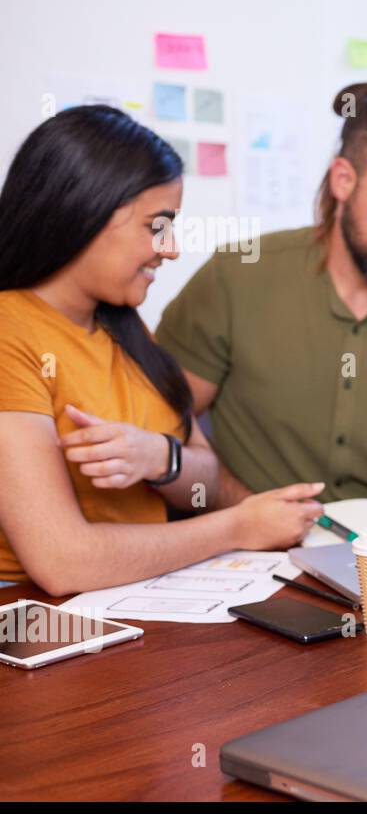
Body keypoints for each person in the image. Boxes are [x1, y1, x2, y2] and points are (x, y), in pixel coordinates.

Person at [0, 106, 324, 595]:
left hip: (140, 598)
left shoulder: (123, 327)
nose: (170, 248)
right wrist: (239, 527)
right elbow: (63, 562)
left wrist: (160, 456)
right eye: (157, 224)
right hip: (42, 617)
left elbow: (208, 477)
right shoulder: (11, 334)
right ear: (82, 209)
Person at [155, 82, 367, 503]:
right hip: (249, 553)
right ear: (343, 180)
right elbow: (160, 430)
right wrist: (246, 512)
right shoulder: (237, 276)